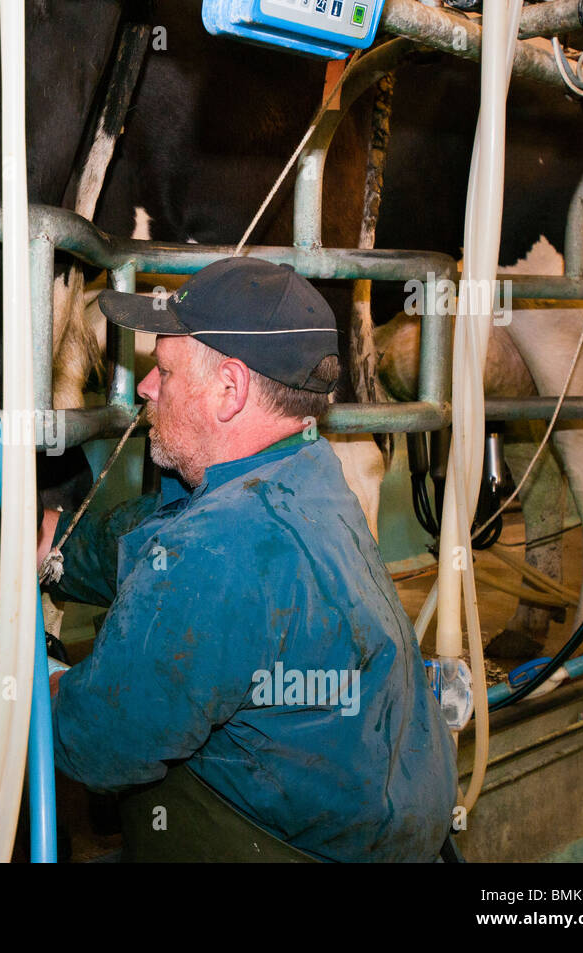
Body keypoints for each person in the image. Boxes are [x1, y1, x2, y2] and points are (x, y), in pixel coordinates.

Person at [38, 257, 457, 862]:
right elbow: (164, 533)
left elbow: (94, 745)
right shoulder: (308, 473)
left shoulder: (214, 557)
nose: (146, 388)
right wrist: (61, 544)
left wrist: (38, 680)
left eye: (162, 369)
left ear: (230, 389)